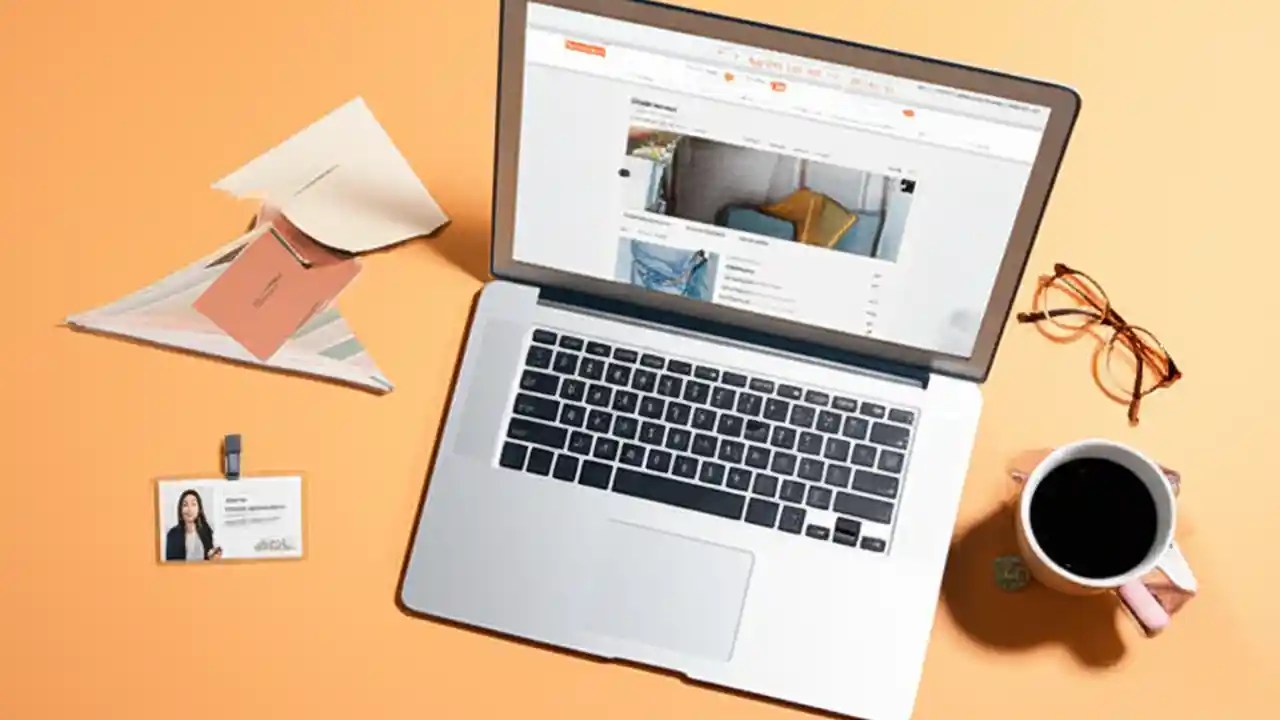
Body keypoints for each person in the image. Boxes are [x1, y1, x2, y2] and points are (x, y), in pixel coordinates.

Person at [165, 489, 222, 561]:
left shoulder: (206, 531)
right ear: (180, 509)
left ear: (199, 509)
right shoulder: (172, 534)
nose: (190, 509)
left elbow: (210, 559)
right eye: (185, 505)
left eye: (193, 504)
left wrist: (214, 557)